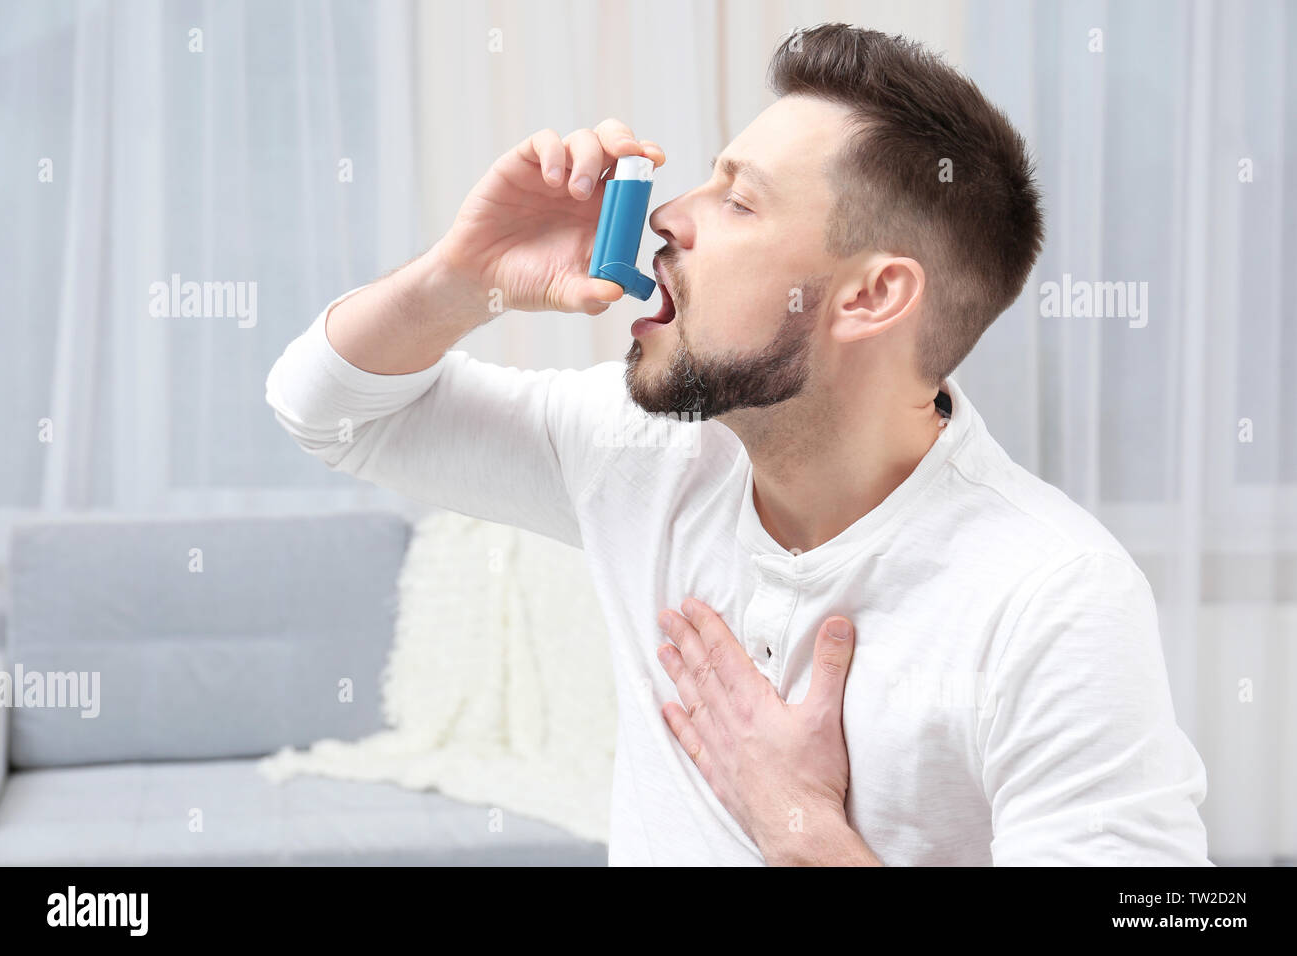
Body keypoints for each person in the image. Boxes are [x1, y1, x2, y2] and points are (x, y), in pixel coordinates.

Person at [265, 23, 1211, 866]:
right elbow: (335, 411)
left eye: (739, 202)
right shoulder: (644, 453)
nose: (669, 217)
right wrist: (462, 278)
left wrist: (801, 833)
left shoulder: (1052, 598)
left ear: (871, 296)